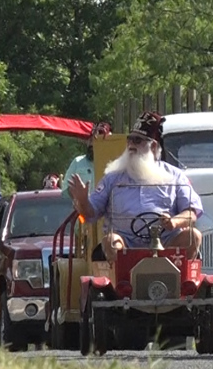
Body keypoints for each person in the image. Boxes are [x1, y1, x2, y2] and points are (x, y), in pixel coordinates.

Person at [67, 111, 203, 263]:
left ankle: (168, 278)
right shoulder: (112, 178)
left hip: (166, 246)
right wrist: (83, 201)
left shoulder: (175, 176)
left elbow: (192, 212)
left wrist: (174, 222)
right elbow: (90, 214)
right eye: (129, 140)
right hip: (125, 246)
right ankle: (126, 283)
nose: (131, 145)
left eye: (138, 141)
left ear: (153, 147)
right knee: (111, 241)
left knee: (193, 236)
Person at [61, 121, 111, 200]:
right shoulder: (78, 162)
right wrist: (79, 197)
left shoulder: (113, 165)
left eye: (96, 141)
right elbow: (66, 189)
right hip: (82, 210)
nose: (92, 144)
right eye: (90, 140)